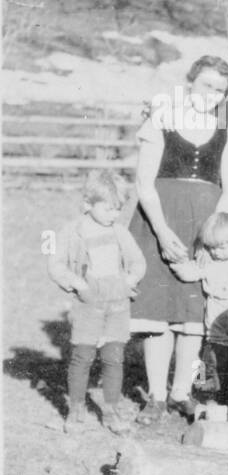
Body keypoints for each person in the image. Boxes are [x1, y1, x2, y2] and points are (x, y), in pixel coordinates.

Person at [130, 55, 228, 424]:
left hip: (202, 225)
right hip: (161, 218)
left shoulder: (226, 127)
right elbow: (144, 184)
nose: (212, 95)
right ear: (190, 80)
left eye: (220, 90)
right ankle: (157, 396)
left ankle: (182, 392)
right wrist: (161, 232)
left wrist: (212, 233)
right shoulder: (163, 118)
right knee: (160, 313)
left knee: (193, 312)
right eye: (207, 85)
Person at [48, 171, 147, 434]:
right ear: (88, 204)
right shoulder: (73, 231)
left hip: (117, 303)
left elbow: (138, 261)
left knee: (114, 358)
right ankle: (76, 409)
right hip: (88, 303)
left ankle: (111, 411)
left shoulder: (119, 232)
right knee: (82, 357)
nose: (114, 215)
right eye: (108, 208)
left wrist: (130, 279)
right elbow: (55, 264)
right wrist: (75, 282)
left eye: (118, 209)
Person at [170, 212, 228, 410]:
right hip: (215, 330)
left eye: (222, 247)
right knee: (209, 362)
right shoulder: (208, 262)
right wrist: (176, 262)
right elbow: (189, 273)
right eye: (211, 248)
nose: (217, 253)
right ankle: (204, 393)